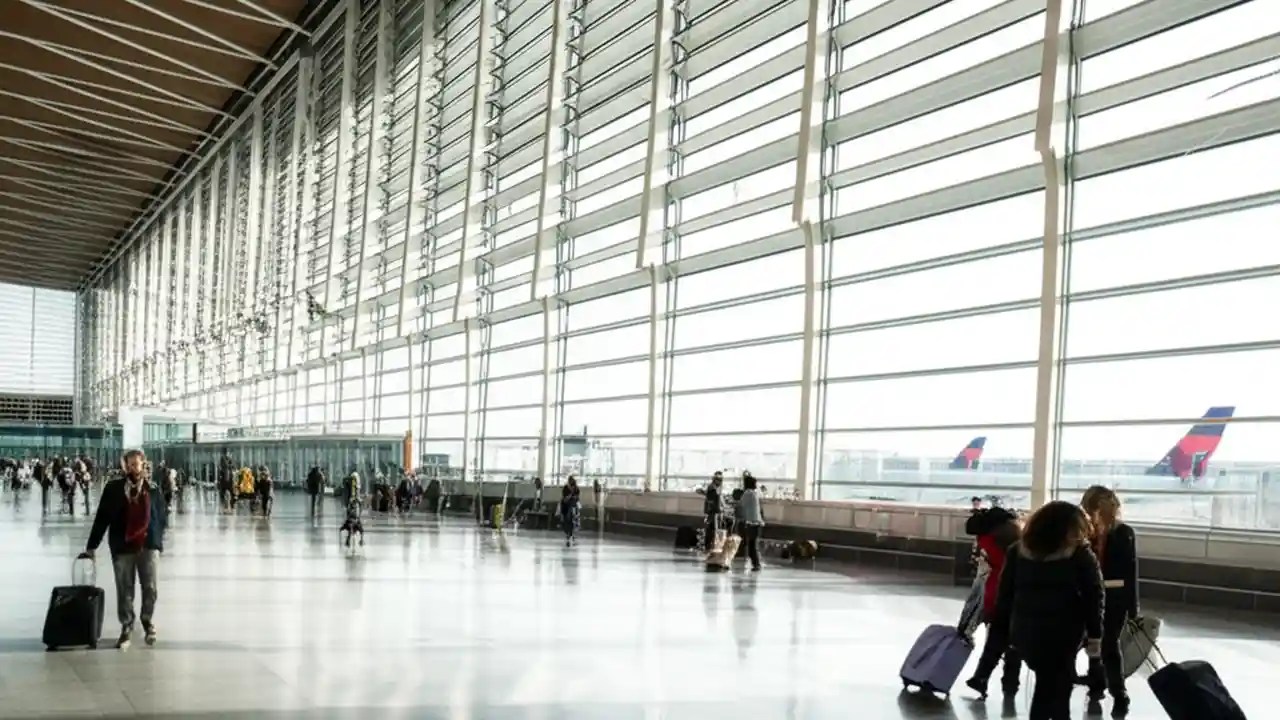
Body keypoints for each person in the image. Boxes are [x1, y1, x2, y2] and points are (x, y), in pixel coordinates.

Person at [993, 501, 1104, 720]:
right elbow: (1095, 598)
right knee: (1056, 689)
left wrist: (1002, 634)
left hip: (1026, 633)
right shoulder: (1079, 555)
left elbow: (1005, 596)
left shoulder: (1017, 551)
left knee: (1048, 686)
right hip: (1063, 634)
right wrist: (1095, 638)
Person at [80, 449, 167, 650]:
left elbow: (161, 516)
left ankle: (147, 621)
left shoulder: (153, 489)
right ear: (124, 466)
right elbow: (102, 518)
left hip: (148, 545)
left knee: (151, 588)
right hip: (123, 546)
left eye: (135, 464)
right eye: (128, 464)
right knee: (125, 589)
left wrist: (157, 541)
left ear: (143, 464)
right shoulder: (113, 489)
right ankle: (126, 626)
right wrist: (92, 546)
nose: (132, 468)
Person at [1081, 486, 1138, 718]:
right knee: (1094, 641)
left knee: (1108, 644)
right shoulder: (1086, 533)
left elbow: (1130, 572)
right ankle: (1098, 681)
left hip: (1113, 596)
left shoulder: (1123, 533)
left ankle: (1118, 691)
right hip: (1093, 595)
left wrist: (1133, 608)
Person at [965, 505, 1024, 698]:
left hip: (992, 593)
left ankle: (981, 677)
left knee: (996, 639)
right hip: (1012, 594)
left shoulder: (985, 540)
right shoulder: (1011, 542)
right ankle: (1009, 683)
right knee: (1013, 643)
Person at [737, 471, 765, 572]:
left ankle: (757, 564)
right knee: (753, 545)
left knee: (752, 546)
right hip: (757, 523)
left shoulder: (747, 493)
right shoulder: (755, 494)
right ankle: (756, 563)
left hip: (752, 523)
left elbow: (740, 505)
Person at [703, 471, 725, 553]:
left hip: (712, 512)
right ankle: (710, 548)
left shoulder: (714, 488)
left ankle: (709, 547)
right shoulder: (713, 489)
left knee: (711, 530)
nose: (720, 481)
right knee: (713, 530)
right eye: (719, 479)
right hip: (713, 513)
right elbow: (714, 502)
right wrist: (721, 509)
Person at [560, 476, 581, 547]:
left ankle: (572, 534)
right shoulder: (566, 488)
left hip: (574, 506)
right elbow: (564, 499)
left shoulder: (576, 488)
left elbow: (577, 498)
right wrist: (569, 497)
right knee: (567, 520)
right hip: (566, 506)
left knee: (573, 521)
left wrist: (574, 498)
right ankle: (568, 533)